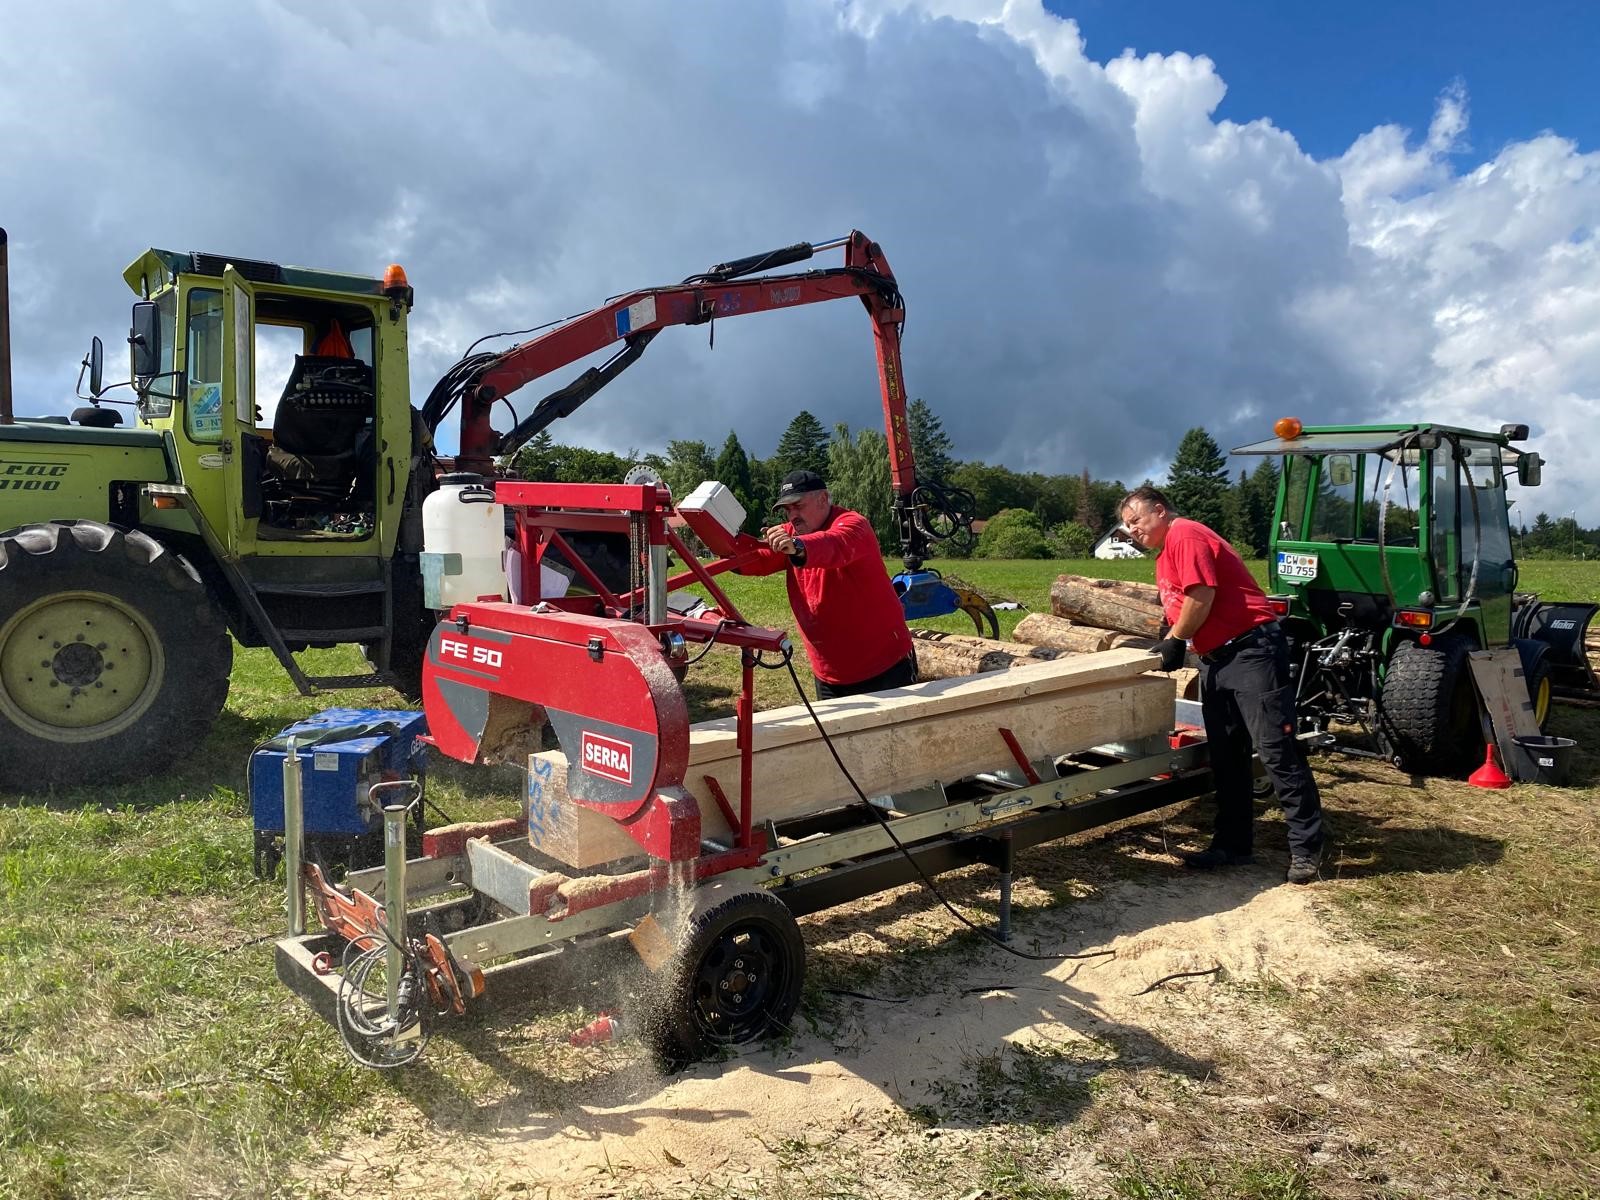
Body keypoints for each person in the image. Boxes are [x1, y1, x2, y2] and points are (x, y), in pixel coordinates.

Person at [1120, 485, 1326, 884]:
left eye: (1137, 521)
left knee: (1275, 750)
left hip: (1251, 651)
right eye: (1127, 526)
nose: (1133, 531)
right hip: (1218, 658)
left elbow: (1202, 593)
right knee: (1228, 755)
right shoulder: (1166, 554)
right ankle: (1233, 845)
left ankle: (1307, 849)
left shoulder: (1186, 534)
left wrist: (1178, 641)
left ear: (1159, 511)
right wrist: (1172, 634)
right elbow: (1180, 602)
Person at [741, 470, 917, 699]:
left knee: (893, 735)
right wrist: (722, 542)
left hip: (885, 668)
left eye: (798, 506)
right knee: (835, 735)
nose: (792, 515)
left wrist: (797, 546)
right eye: (787, 510)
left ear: (823, 499)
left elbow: (834, 546)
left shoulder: (854, 525)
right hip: (829, 675)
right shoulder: (792, 534)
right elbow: (754, 560)